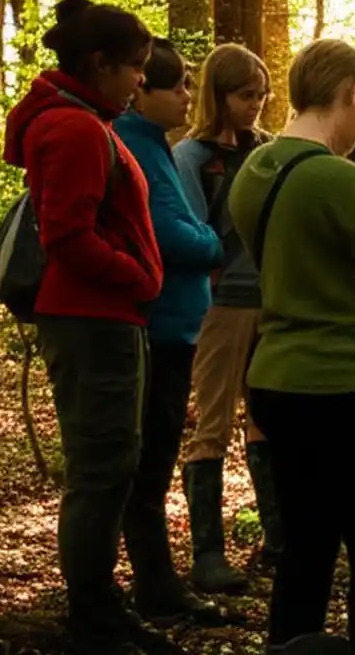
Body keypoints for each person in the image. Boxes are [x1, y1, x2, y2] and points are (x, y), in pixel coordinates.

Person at [2, 0, 177, 654]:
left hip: (102, 317)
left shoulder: (85, 121)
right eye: (135, 68)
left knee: (111, 460)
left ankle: (99, 604)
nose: (141, 79)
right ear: (99, 64)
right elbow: (69, 235)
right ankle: (92, 614)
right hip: (91, 319)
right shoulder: (74, 129)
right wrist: (140, 277)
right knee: (103, 465)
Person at [228, 39, 355, 651]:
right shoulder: (340, 178)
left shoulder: (252, 172)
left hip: (274, 377)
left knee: (304, 543)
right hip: (345, 381)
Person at [113, 38, 223, 625]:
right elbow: (174, 232)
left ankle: (155, 580)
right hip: (158, 330)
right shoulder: (134, 143)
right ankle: (153, 584)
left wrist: (200, 234)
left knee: (155, 455)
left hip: (177, 327)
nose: (187, 95)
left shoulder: (154, 144)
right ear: (142, 90)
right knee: (149, 460)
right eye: (177, 84)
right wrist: (212, 243)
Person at [174, 43, 278, 593]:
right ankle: (207, 553)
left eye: (261, 95)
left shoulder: (268, 150)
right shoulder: (192, 157)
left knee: (269, 420)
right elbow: (191, 230)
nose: (255, 106)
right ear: (219, 95)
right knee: (212, 423)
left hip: (271, 300)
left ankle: (278, 540)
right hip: (219, 305)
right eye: (244, 95)